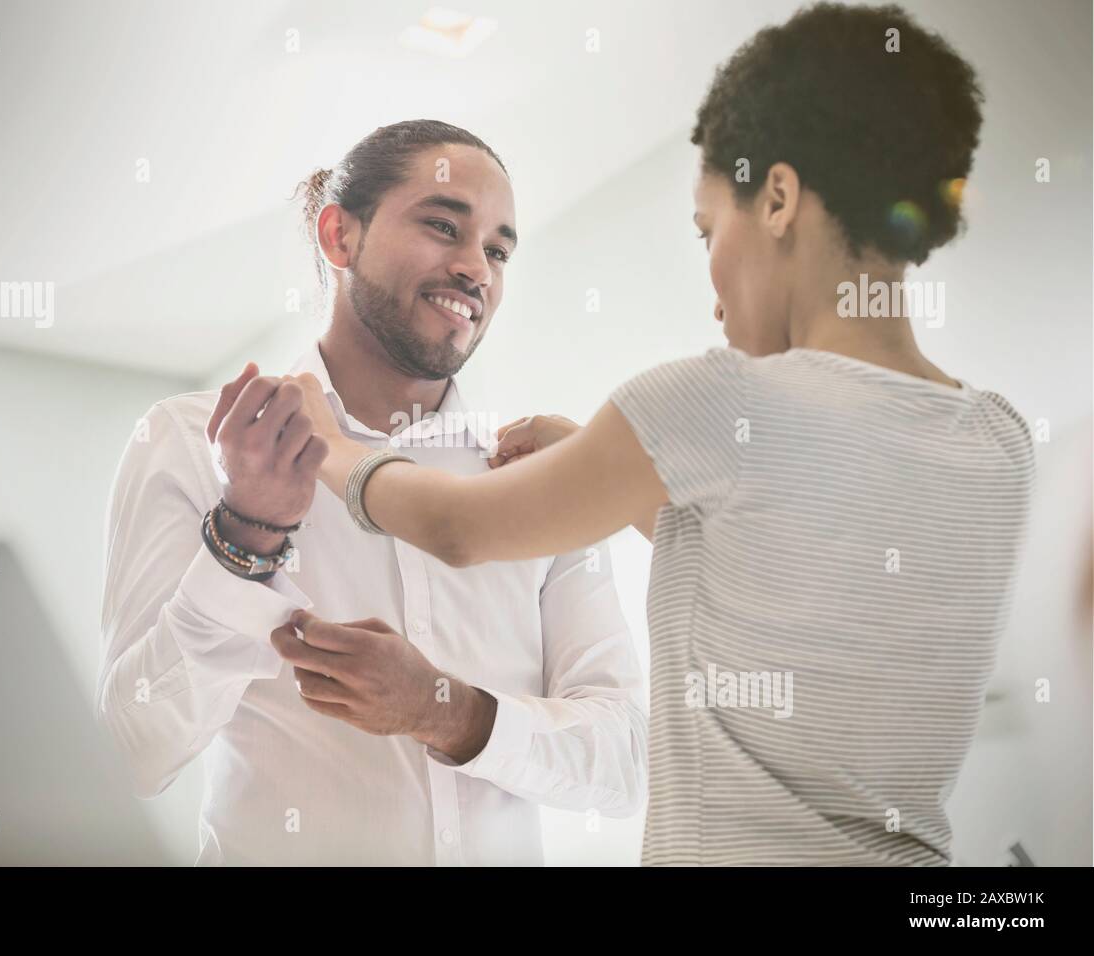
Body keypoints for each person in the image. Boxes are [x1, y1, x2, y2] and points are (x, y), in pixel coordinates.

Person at [283, 3, 1036, 865]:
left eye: (709, 230)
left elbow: (459, 528)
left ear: (779, 198)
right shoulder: (998, 438)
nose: (715, 290)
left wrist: (332, 447)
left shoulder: (713, 401)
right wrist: (606, 465)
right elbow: (791, 567)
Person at [96, 120, 647, 866]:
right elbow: (132, 752)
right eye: (443, 226)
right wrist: (246, 537)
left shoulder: (535, 476)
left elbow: (625, 761)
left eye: (497, 250)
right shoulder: (192, 441)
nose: (475, 270)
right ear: (339, 237)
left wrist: (447, 714)